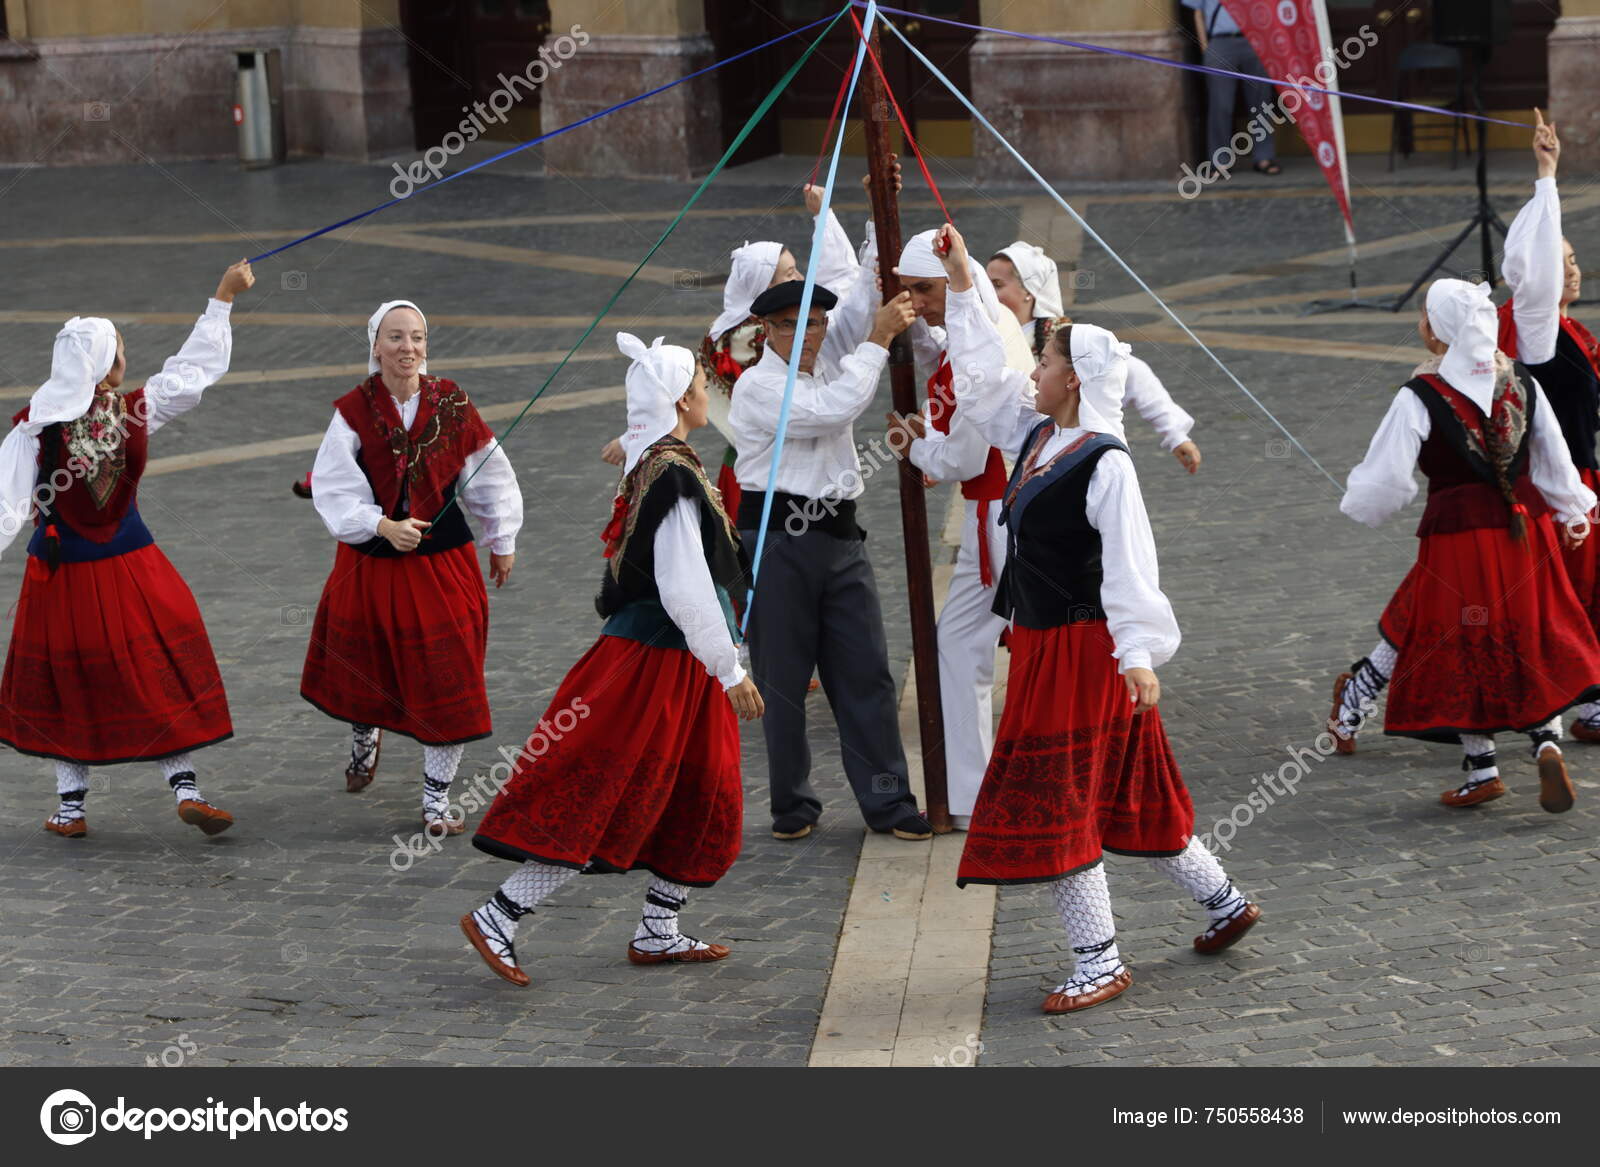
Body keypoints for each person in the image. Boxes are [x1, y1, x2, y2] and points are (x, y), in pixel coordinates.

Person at [933, 224, 1259, 1015]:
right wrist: (964, 281)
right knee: (1128, 786)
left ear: (1073, 379)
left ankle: (1099, 959)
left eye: (1044, 361)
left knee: (1065, 795)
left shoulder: (1105, 462)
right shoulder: (1042, 434)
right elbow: (979, 385)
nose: (1033, 368)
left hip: (1087, 653)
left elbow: (1128, 563)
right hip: (1052, 648)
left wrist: (1137, 652)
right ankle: (1223, 900)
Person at [463, 333, 763, 986]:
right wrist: (731, 667)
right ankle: (500, 914)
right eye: (702, 387)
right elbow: (686, 585)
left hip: (673, 663)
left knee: (703, 789)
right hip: (656, 663)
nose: (709, 395)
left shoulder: (660, 460)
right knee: (604, 789)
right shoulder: (674, 475)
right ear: (683, 398)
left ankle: (658, 928)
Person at [0, 260, 255, 839]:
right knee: (153, 666)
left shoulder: (33, 430)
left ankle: (70, 808)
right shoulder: (136, 410)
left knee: (73, 679)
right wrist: (222, 298)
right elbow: (192, 372)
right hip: (135, 569)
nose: (126, 355)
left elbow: (5, 509)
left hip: (62, 578)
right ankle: (186, 786)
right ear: (107, 364)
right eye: (121, 347)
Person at [1332, 275, 1600, 812]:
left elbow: (1386, 480)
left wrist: (1363, 502)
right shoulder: (1523, 381)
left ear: (1437, 333)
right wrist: (1575, 510)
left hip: (1456, 540)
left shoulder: (1420, 395)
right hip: (1525, 532)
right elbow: (1554, 457)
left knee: (1462, 645)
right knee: (1524, 634)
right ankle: (1545, 741)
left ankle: (1483, 768)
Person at [301, 300, 523, 834]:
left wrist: (502, 538)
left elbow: (487, 471)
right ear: (376, 346)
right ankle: (365, 730)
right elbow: (332, 487)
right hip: (372, 561)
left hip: (441, 564)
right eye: (396, 338)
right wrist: (382, 526)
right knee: (369, 662)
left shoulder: (451, 403)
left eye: (418, 337)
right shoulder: (354, 410)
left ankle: (435, 800)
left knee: (449, 673)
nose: (409, 348)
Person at [730, 272, 931, 842]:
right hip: (776, 537)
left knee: (866, 671)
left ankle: (890, 804)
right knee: (783, 679)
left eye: (815, 323)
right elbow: (832, 410)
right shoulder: (757, 386)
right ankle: (792, 804)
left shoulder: (827, 363)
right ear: (765, 330)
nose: (808, 335)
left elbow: (859, 278)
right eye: (793, 325)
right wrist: (876, 340)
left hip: (840, 537)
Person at [1494, 113, 1600, 740]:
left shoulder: (1574, 333)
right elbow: (1533, 266)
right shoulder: (1535, 332)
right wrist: (1547, 176)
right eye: (1560, 262)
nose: (1572, 270)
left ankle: (1586, 703)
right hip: (1548, 487)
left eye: (1576, 259)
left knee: (1584, 595)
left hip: (1583, 476)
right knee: (1555, 600)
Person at [1184, 0, 1280, 176]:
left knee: (1261, 102)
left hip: (1255, 40)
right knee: (1221, 105)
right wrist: (1205, 46)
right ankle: (1219, 161)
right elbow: (1198, 13)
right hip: (1220, 42)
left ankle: (1264, 157)